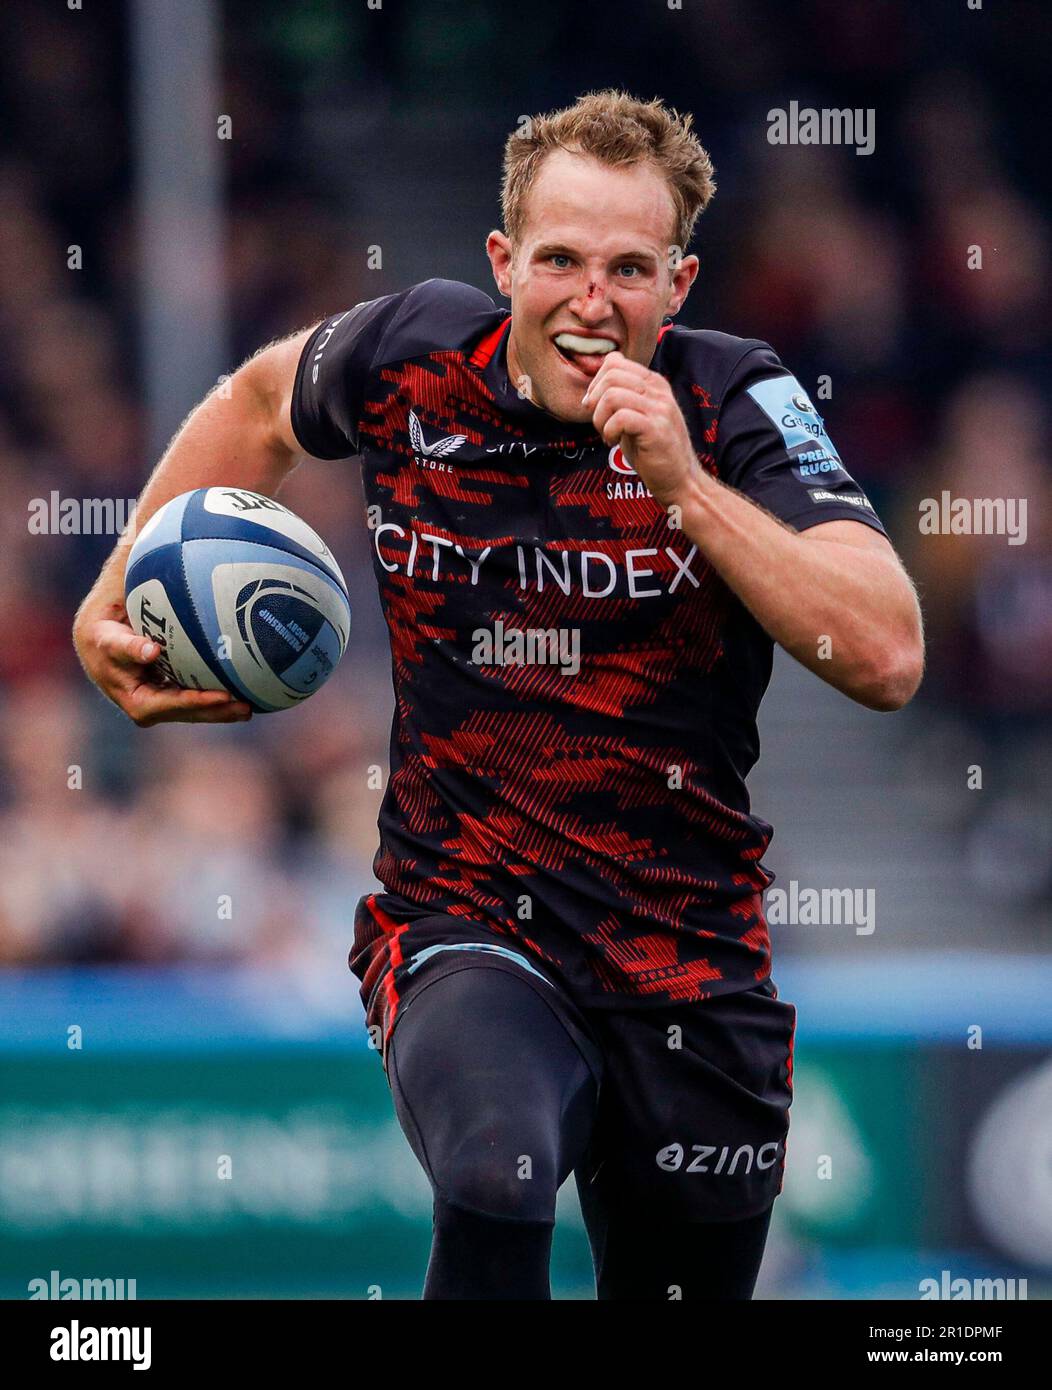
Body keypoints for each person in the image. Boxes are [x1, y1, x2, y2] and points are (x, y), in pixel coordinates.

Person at [73, 89, 924, 1299]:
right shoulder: (411, 357)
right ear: (502, 262)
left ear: (676, 286)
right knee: (494, 1170)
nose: (592, 301)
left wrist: (683, 483)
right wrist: (114, 586)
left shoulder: (736, 404)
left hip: (686, 960)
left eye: (628, 268)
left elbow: (885, 656)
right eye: (561, 260)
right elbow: (260, 403)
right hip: (463, 912)